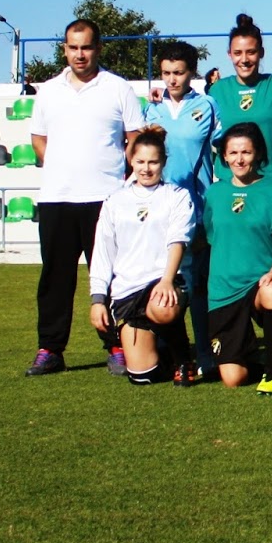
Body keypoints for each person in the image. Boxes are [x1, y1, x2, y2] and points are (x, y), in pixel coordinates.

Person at [25, 17, 145, 378]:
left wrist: (113, 174)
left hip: (105, 201)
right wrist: (63, 166)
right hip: (57, 200)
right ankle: (50, 349)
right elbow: (38, 139)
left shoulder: (118, 88)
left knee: (110, 277)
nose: (80, 54)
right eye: (73, 47)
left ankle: (117, 346)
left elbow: (135, 138)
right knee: (55, 280)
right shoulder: (48, 91)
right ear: (65, 49)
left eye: (87, 47)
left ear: (99, 48)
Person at [87, 126, 196, 386]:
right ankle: (165, 353)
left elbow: (178, 241)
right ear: (131, 161)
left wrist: (167, 280)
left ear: (164, 162)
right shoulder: (115, 200)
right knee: (141, 376)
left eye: (153, 162)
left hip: (164, 282)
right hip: (127, 290)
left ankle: (184, 360)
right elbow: (103, 252)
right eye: (140, 161)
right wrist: (98, 299)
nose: (146, 168)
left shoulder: (177, 196)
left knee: (163, 306)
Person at [144, 40, 221, 377]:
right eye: (165, 73)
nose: (172, 79)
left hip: (197, 209)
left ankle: (204, 353)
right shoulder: (152, 109)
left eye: (178, 72)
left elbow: (226, 148)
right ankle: (168, 353)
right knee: (164, 282)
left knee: (197, 287)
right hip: (159, 212)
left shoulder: (208, 105)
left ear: (192, 73)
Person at [203, 123, 272, 393]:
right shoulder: (214, 193)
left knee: (271, 292)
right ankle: (254, 359)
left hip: (259, 281)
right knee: (233, 378)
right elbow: (208, 237)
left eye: (246, 152)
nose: (239, 159)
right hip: (223, 288)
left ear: (257, 154)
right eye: (233, 153)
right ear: (224, 156)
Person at [207, 14, 272, 183]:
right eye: (237, 53)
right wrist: (163, 95)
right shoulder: (217, 91)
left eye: (251, 52)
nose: (244, 60)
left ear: (261, 53)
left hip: (270, 181)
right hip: (229, 182)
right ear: (229, 54)